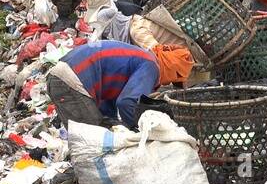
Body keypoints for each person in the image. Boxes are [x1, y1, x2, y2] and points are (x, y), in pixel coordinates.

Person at [46, 40, 192, 130]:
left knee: (93, 136)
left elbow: (109, 96)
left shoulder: (139, 56)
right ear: (173, 72)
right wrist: (137, 130)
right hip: (73, 80)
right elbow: (127, 102)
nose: (166, 83)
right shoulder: (151, 66)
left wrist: (112, 121)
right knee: (92, 140)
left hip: (61, 76)